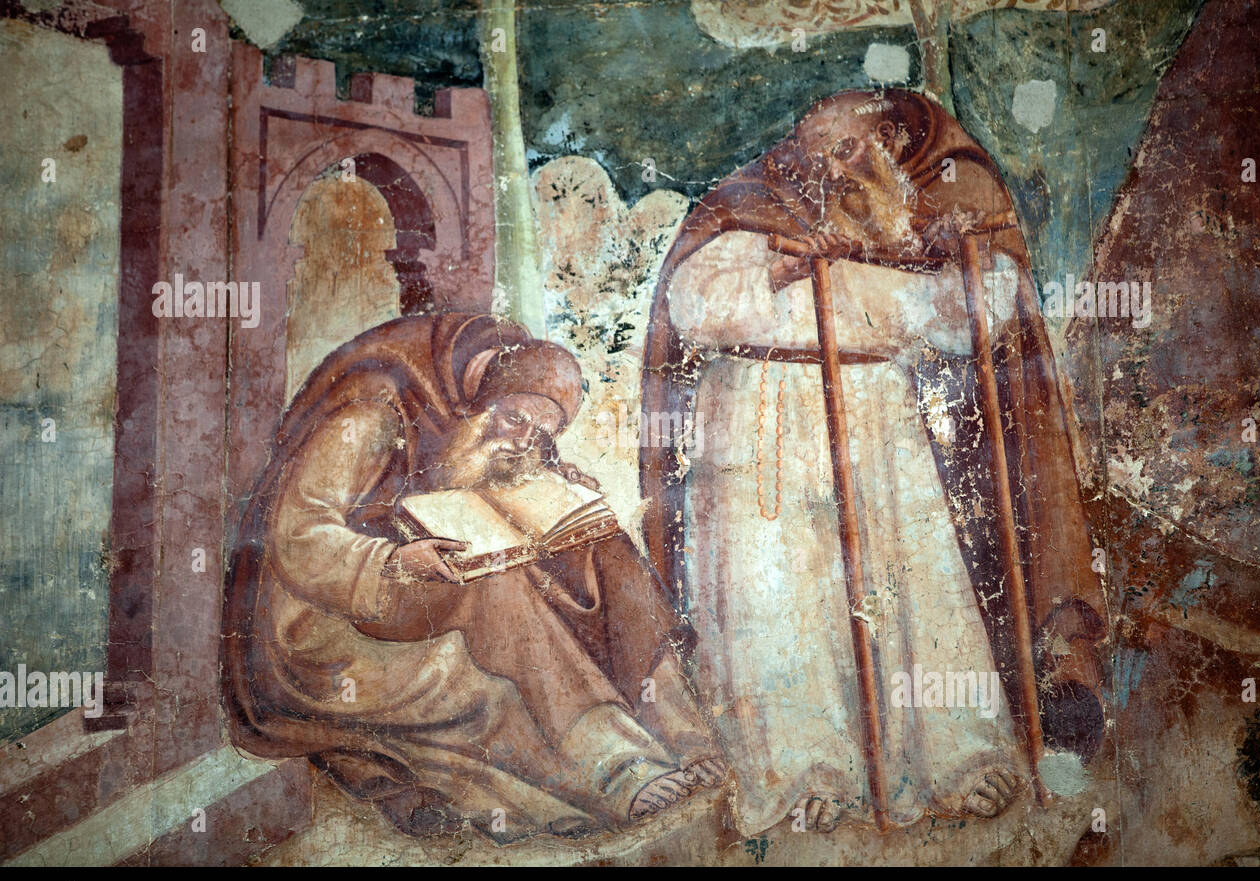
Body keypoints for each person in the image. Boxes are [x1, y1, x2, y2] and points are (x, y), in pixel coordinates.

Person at [640, 89, 1105, 837]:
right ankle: (803, 773)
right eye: (812, 151)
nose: (828, 167)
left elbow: (974, 324)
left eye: (847, 148)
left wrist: (967, 258)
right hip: (760, 423)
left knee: (912, 585)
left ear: (889, 143)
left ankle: (957, 760)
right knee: (778, 604)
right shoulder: (750, 210)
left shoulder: (921, 221)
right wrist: (783, 272)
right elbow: (691, 304)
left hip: (879, 419)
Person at [223, 312, 724, 842]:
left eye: (541, 435)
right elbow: (298, 536)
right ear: (483, 399)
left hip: (429, 581)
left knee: (602, 546)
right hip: (335, 609)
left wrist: (557, 493)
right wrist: (396, 561)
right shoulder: (375, 411)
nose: (522, 442)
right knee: (499, 583)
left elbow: (474, 476)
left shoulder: (491, 394)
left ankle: (679, 731)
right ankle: (618, 767)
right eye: (514, 423)